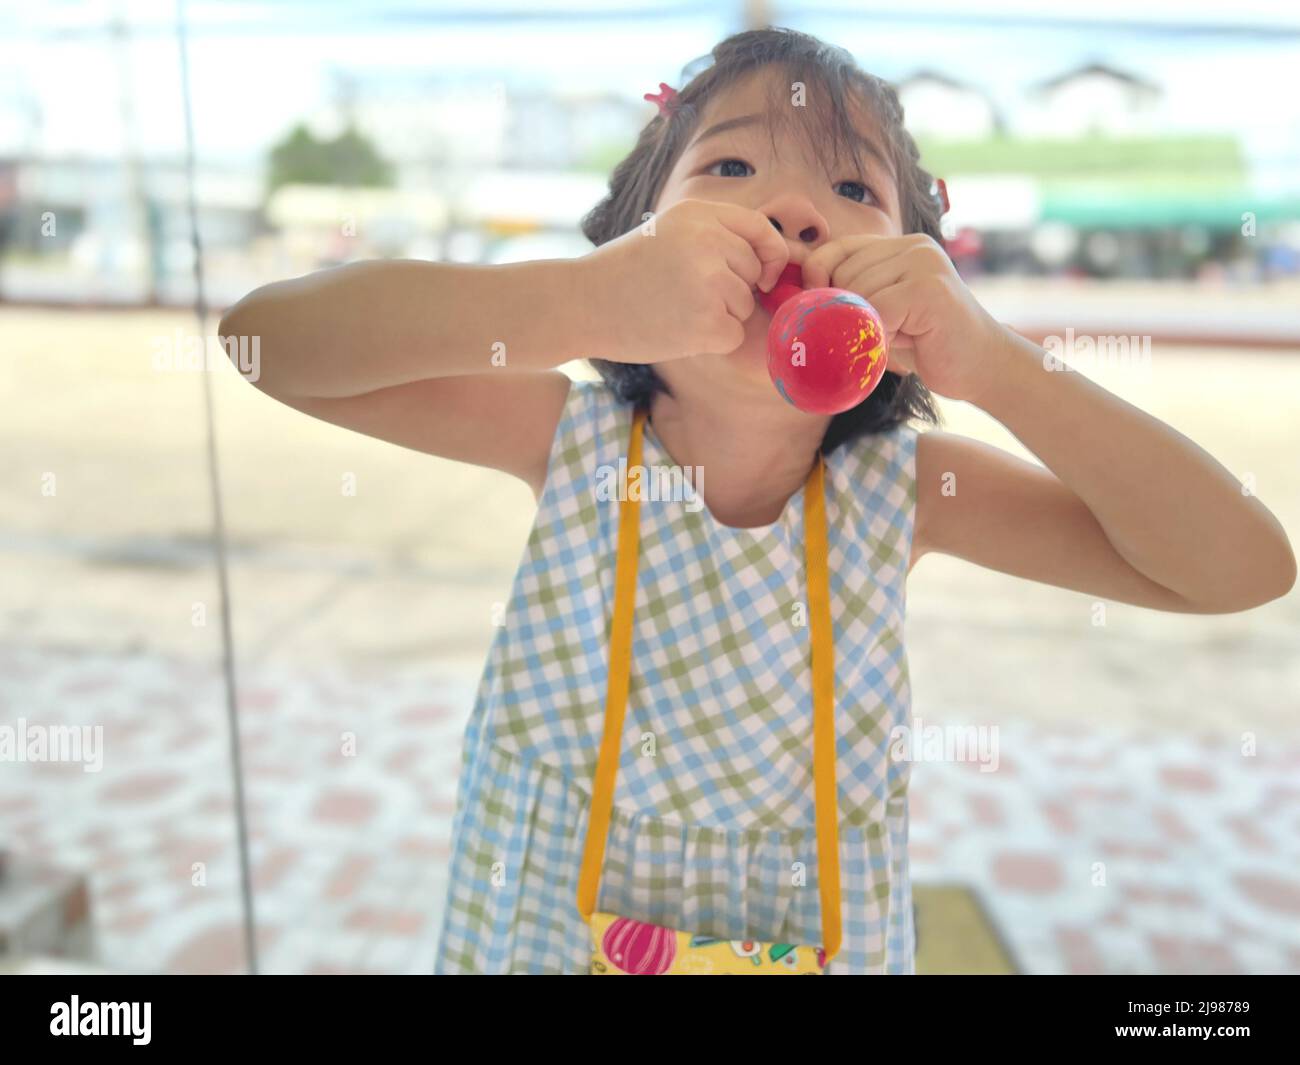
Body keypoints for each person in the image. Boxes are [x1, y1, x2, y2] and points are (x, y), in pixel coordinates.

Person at [219, 27, 1296, 974]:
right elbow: (269, 345)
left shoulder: (913, 492)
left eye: (853, 194)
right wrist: (578, 301)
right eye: (729, 164)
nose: (791, 211)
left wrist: (996, 365)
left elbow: (1238, 568)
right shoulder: (562, 437)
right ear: (637, 242)